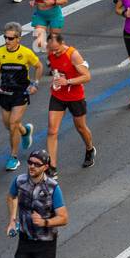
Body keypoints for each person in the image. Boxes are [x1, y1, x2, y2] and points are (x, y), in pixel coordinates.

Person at [0, 22, 42, 172]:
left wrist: (35, 84)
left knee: (13, 124)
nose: (7, 41)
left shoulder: (26, 53)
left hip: (21, 92)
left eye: (10, 38)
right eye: (5, 37)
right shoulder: (0, 52)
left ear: (18, 38)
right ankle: (25, 131)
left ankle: (13, 157)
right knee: (9, 126)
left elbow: (39, 66)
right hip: (5, 92)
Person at [45, 29, 95, 168]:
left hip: (75, 97)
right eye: (51, 50)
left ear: (63, 44)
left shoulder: (73, 55)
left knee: (80, 127)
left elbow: (87, 77)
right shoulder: (50, 52)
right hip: (58, 96)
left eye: (56, 50)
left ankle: (90, 148)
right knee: (52, 130)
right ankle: (52, 167)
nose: (54, 53)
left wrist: (67, 82)